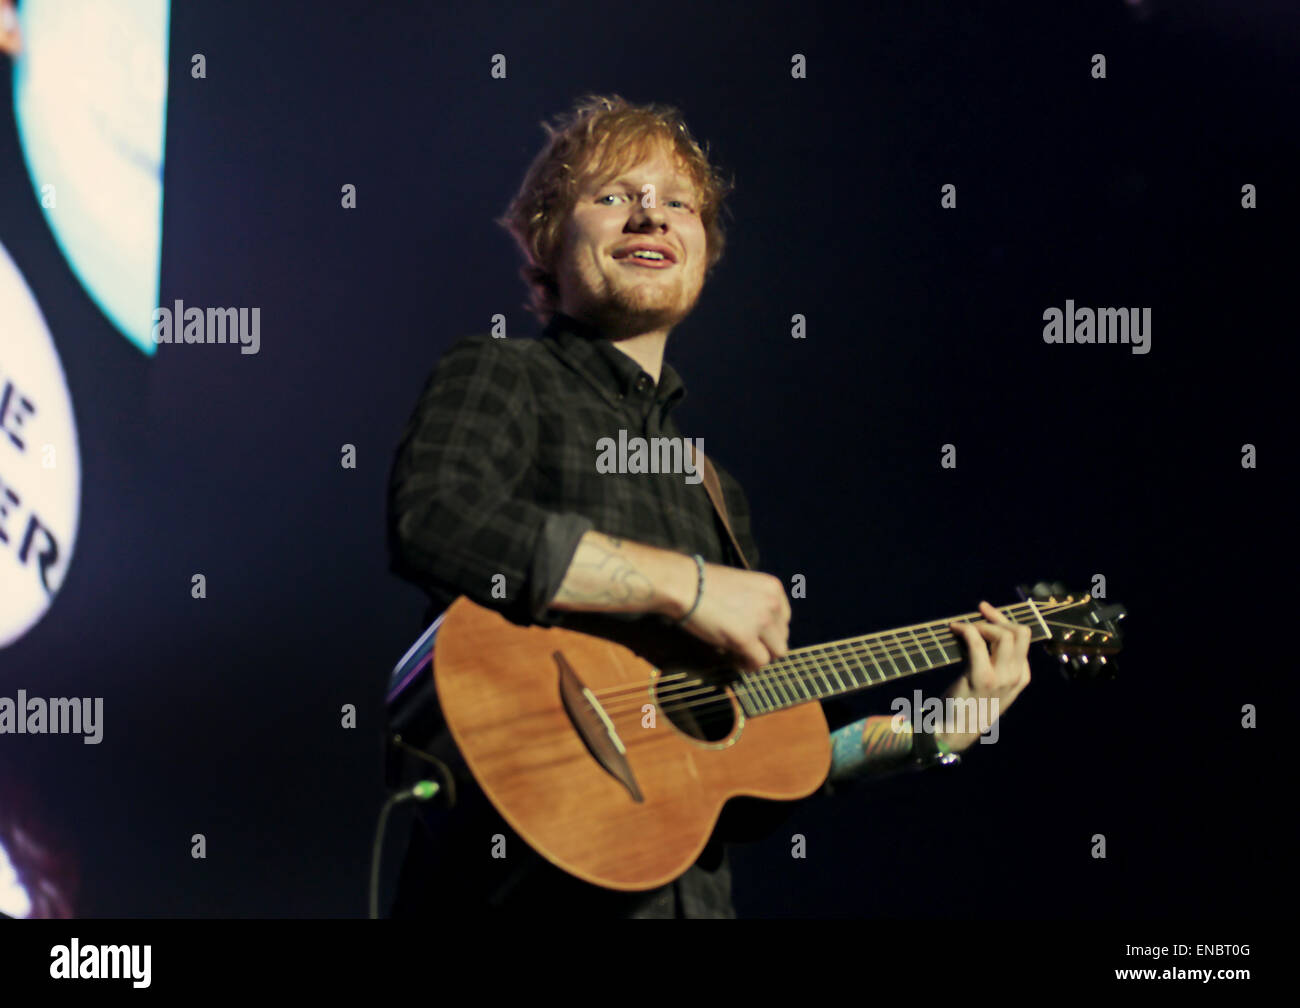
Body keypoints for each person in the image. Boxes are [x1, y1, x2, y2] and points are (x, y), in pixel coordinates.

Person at [385, 94, 1031, 918]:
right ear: (550, 238)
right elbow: (436, 519)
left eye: (677, 202)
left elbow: (765, 756)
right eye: (613, 195)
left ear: (703, 250)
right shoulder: (499, 375)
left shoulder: (714, 492)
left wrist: (944, 732)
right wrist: (686, 587)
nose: (650, 213)